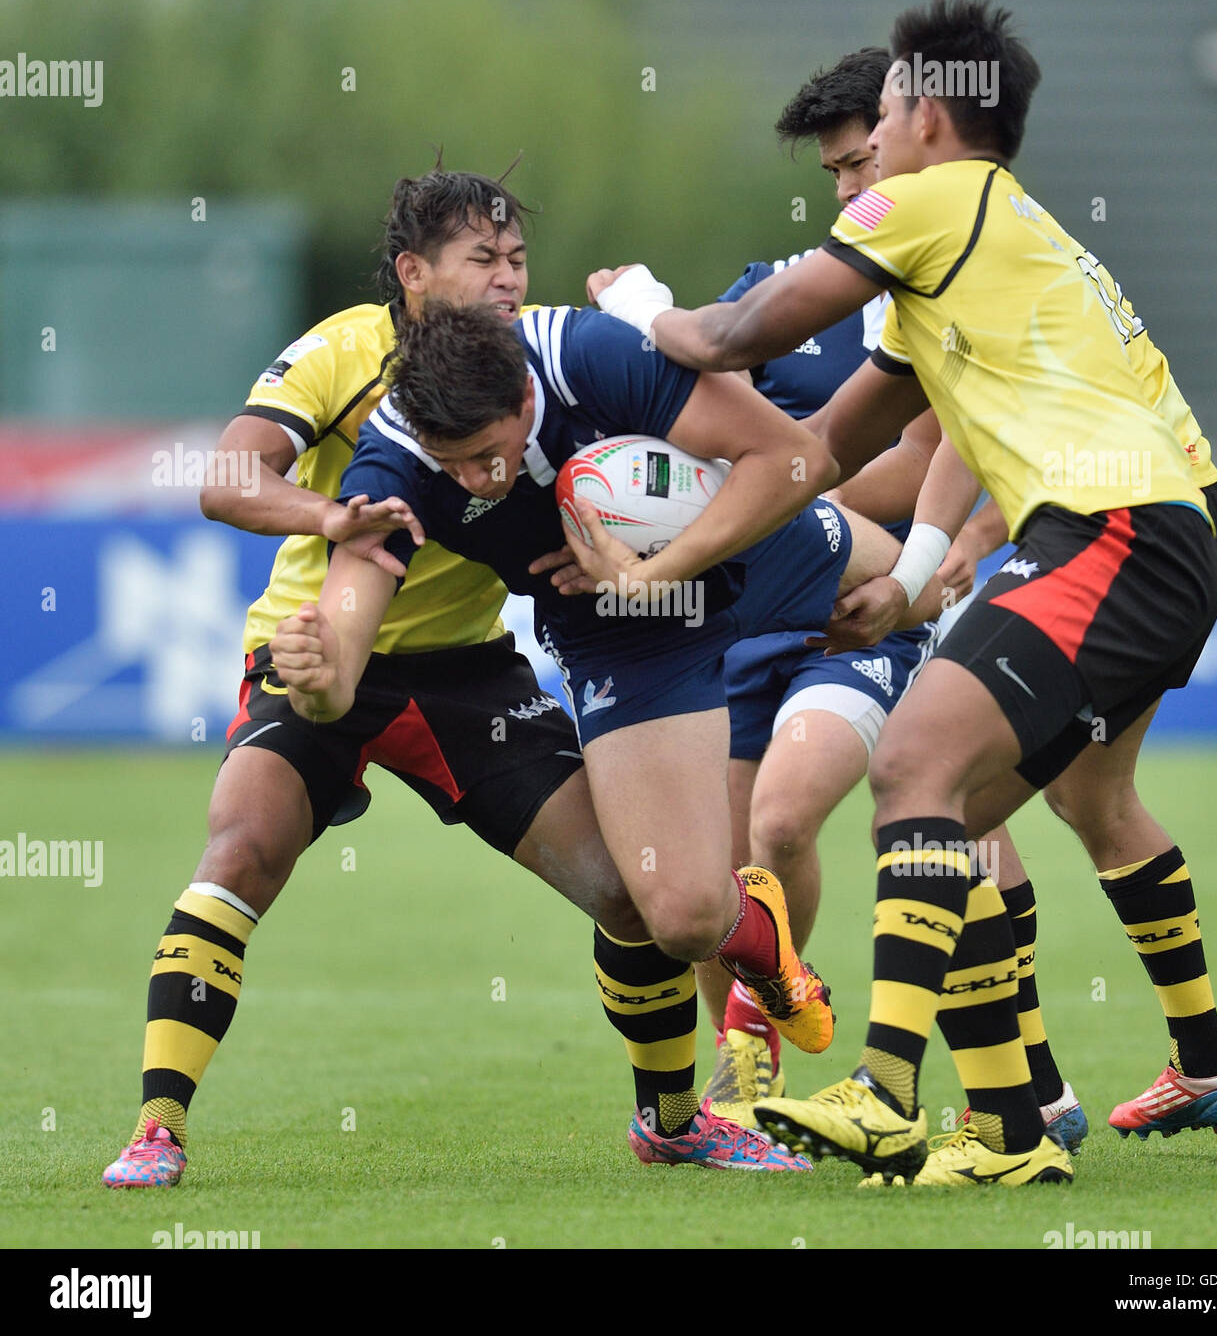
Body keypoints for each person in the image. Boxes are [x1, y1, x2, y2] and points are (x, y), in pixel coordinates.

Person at [590, 0, 1217, 1184]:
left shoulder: (938, 199)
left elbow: (734, 335)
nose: (860, 167)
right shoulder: (972, 241)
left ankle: (886, 1090)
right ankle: (1010, 1129)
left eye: (879, 124)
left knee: (911, 767)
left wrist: (638, 307)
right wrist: (685, 563)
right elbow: (825, 452)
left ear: (928, 118)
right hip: (1161, 523)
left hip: (1115, 527)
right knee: (960, 812)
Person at [101, 167, 805, 1189]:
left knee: (625, 891)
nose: (510, 281)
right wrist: (328, 517)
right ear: (412, 273)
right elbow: (225, 475)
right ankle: (156, 1128)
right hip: (323, 651)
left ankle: (672, 1120)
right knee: (242, 845)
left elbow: (766, 455)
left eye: (518, 259)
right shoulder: (346, 354)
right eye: (485, 260)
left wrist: (650, 551)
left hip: (469, 673)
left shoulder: (542, 365)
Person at [275, 299, 947, 1166]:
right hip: (619, 631)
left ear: (524, 396)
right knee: (681, 915)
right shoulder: (396, 457)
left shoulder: (584, 352)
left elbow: (798, 456)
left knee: (925, 597)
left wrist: (656, 567)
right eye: (459, 466)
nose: (481, 481)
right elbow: (342, 648)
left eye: (493, 452)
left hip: (738, 534)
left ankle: (1024, 1087)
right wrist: (319, 678)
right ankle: (760, 934)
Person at [698, 47, 1085, 1156]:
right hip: (788, 607)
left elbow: (938, 448)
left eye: (859, 160)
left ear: (914, 133)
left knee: (929, 820)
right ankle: (1023, 1098)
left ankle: (945, 1094)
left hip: (899, 597)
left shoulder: (954, 264)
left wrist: (904, 543)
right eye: (830, 175)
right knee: (788, 871)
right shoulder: (798, 284)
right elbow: (718, 418)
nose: (845, 191)